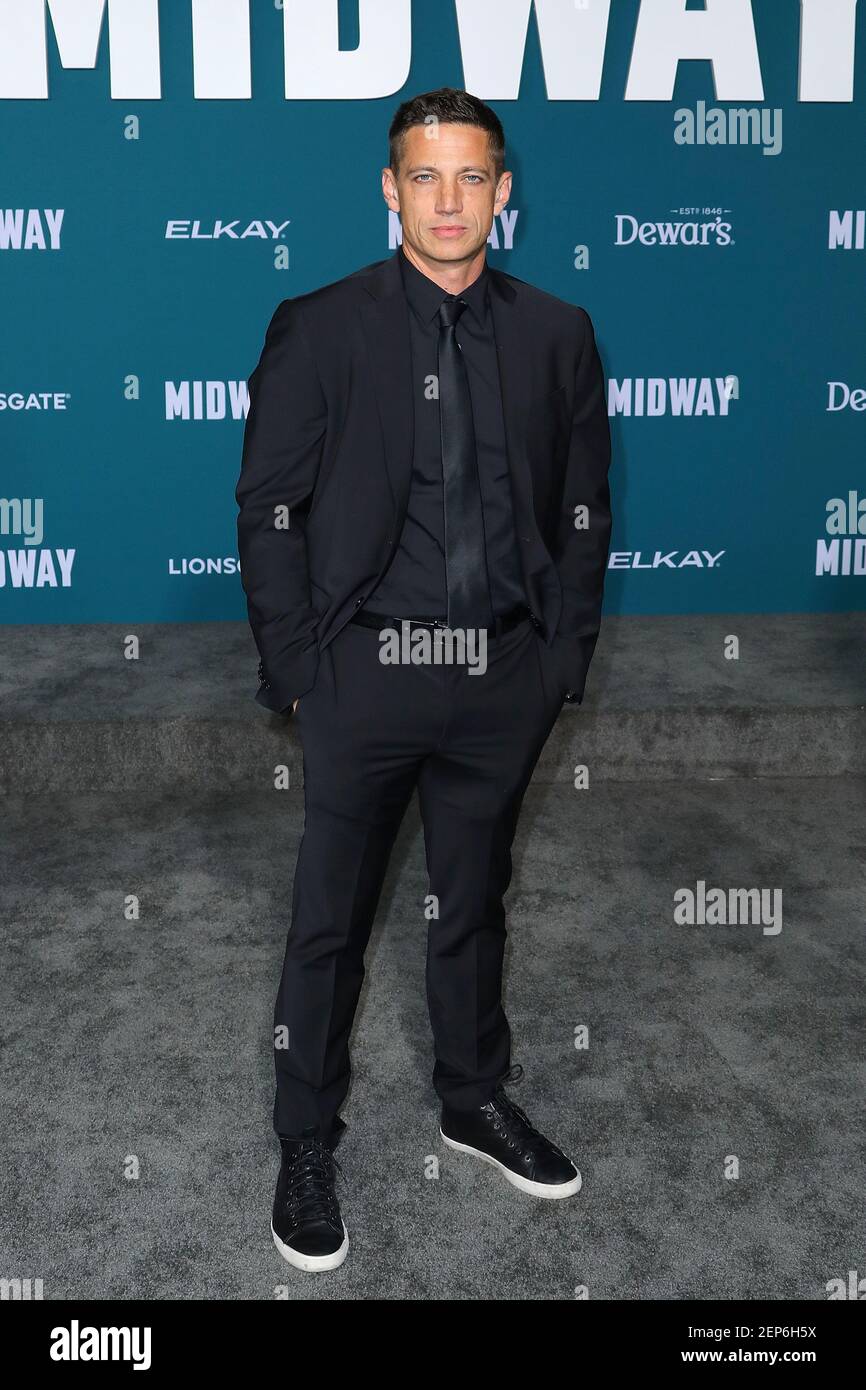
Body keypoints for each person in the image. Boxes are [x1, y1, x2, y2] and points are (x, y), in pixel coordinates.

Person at [235, 87, 612, 1273]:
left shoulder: (558, 331)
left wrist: (558, 660)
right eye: (423, 177)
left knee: (476, 897)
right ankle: (305, 1138)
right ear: (387, 190)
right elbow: (269, 509)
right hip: (366, 671)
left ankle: (470, 1093)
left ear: (504, 194)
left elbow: (582, 512)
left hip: (502, 670)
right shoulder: (321, 322)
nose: (447, 202)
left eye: (470, 179)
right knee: (328, 922)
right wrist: (302, 670)